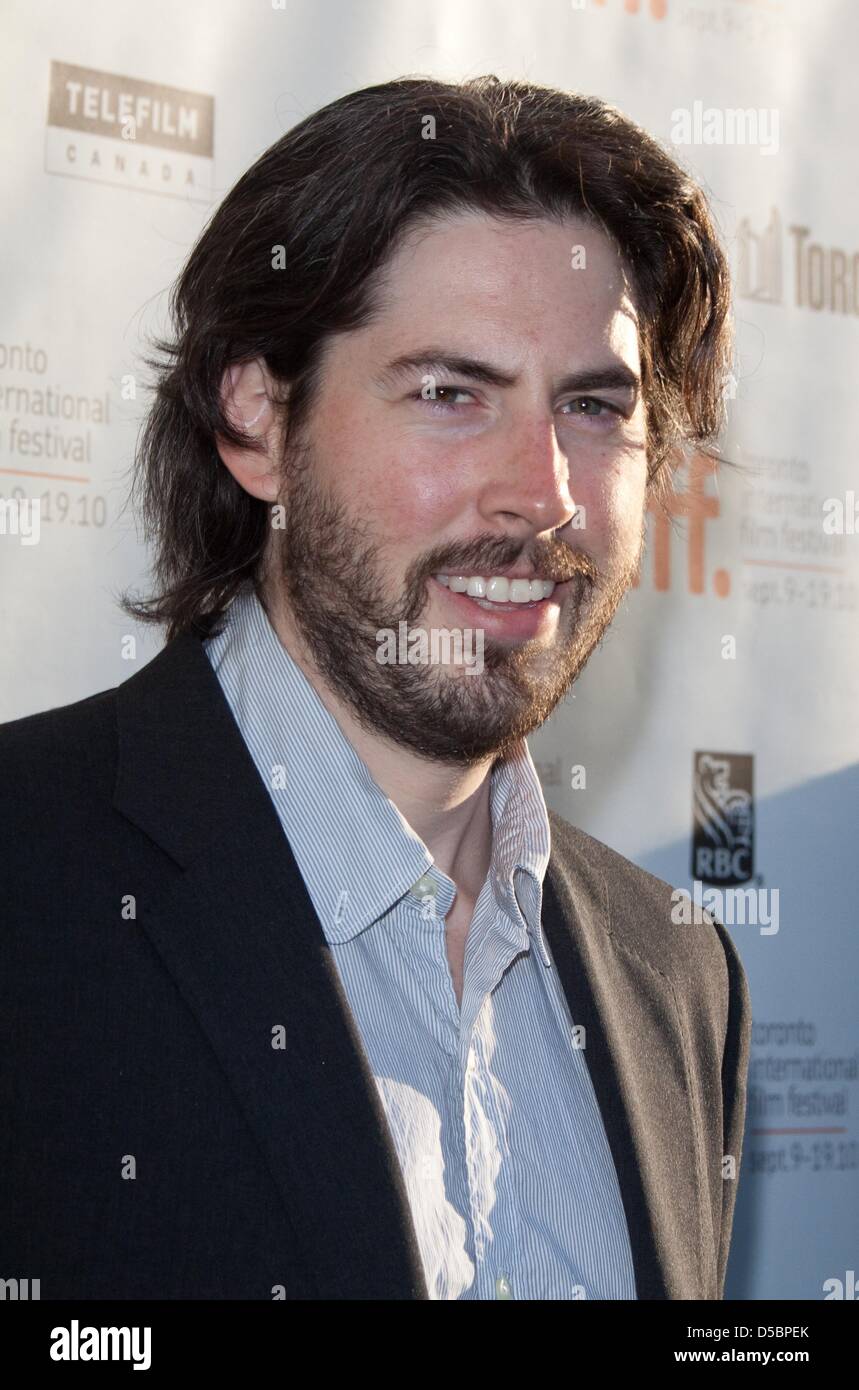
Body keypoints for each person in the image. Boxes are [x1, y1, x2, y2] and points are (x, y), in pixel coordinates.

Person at [0, 74, 750, 1300]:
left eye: (593, 406)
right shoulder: (26, 883)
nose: (543, 492)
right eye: (451, 393)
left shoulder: (680, 980)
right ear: (255, 416)